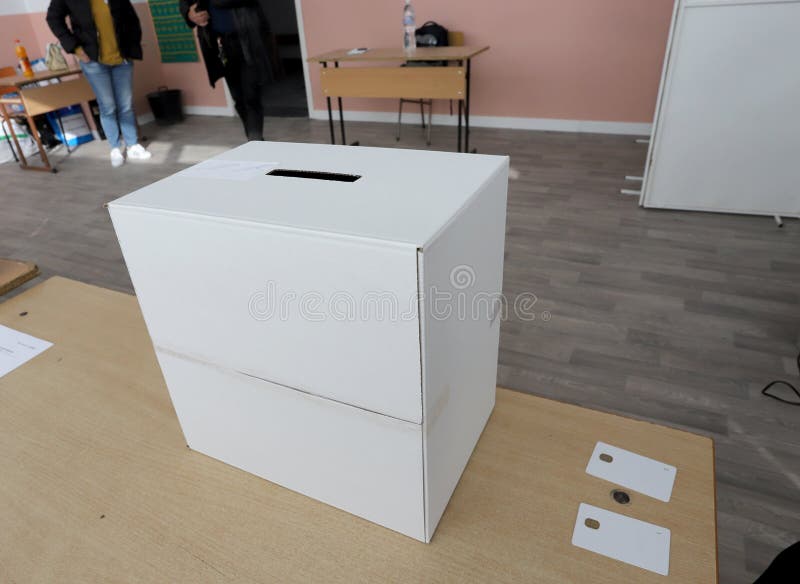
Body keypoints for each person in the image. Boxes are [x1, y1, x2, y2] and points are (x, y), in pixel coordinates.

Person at [46, 0, 151, 167]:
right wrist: (75, 48)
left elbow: (131, 18)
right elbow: (53, 18)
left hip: (122, 59)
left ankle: (132, 145)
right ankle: (115, 148)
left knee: (125, 105)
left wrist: (132, 45)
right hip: (93, 61)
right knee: (108, 106)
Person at [180, 0, 273, 141]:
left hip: (248, 39)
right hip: (219, 43)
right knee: (238, 98)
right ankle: (253, 139)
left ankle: (255, 140)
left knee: (251, 95)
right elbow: (185, 3)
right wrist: (189, 13)